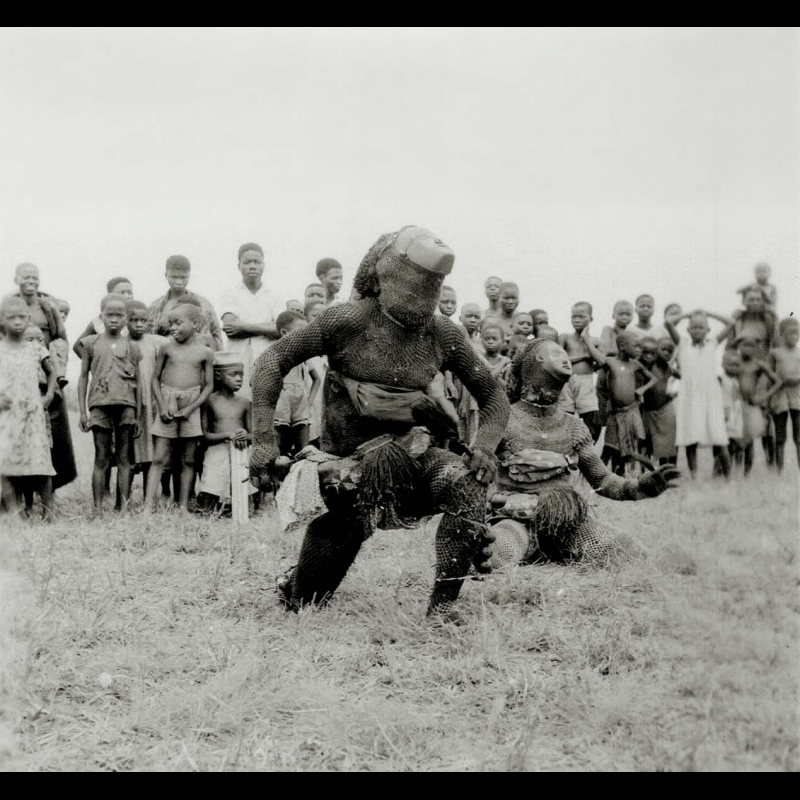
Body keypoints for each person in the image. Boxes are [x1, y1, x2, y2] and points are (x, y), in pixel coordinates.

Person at [250, 226, 508, 622]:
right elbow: (271, 362)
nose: (421, 297)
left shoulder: (443, 334)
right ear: (382, 276)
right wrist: (263, 440)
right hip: (347, 475)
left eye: (430, 287)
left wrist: (486, 449)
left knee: (464, 484)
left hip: (416, 461)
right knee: (306, 602)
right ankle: (296, 583)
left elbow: (493, 398)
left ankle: (441, 611)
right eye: (412, 285)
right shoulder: (346, 321)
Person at [485, 339, 679, 570]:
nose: (565, 358)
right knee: (498, 551)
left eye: (564, 353)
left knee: (624, 549)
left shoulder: (574, 426)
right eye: (555, 353)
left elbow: (603, 480)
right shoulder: (502, 419)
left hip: (568, 524)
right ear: (532, 364)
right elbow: (474, 472)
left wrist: (639, 487)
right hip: (515, 521)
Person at [10, 262, 77, 490]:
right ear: (16, 278)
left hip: (46, 376)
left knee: (52, 436)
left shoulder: (48, 307)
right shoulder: (8, 305)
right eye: (26, 276)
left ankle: (49, 491)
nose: (31, 281)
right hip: (17, 376)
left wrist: (56, 377)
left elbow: (60, 340)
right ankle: (17, 494)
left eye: (35, 277)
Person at [144, 304, 214, 513]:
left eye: (178, 323)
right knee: (158, 458)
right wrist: (162, 405)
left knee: (188, 460)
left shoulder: (205, 352)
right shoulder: (167, 348)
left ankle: (183, 505)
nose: (172, 328)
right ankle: (148, 506)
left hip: (192, 405)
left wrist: (192, 408)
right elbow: (155, 379)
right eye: (170, 323)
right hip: (168, 400)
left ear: (195, 324)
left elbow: (209, 385)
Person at [77, 294, 142, 512]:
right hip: (99, 404)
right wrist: (83, 412)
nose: (114, 319)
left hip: (125, 405)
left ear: (126, 318)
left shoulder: (133, 347)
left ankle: (121, 508)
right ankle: (97, 508)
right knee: (101, 457)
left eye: (119, 315)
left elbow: (138, 382)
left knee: (124, 458)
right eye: (109, 314)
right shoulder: (90, 343)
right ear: (100, 317)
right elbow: (84, 376)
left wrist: (138, 414)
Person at [0, 298, 56, 519]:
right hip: (6, 415)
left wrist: (49, 394)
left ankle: (48, 510)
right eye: (11, 317)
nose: (17, 322)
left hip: (33, 414)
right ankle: (14, 512)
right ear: (2, 321)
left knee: (40, 462)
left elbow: (52, 372)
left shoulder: (36, 349)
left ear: (28, 318)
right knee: (6, 462)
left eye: (21, 317)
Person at [665, 308, 734, 479]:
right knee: (690, 436)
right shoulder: (682, 343)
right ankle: (695, 477)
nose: (697, 330)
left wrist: (708, 314)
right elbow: (668, 322)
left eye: (701, 327)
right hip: (689, 395)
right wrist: (688, 315)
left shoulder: (713, 343)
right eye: (694, 327)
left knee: (718, 436)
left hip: (711, 394)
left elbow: (731, 323)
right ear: (688, 330)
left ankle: (729, 478)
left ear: (708, 330)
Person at [217, 243, 281, 400]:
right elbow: (230, 327)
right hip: (238, 361)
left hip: (267, 359)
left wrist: (244, 326)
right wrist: (266, 328)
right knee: (238, 406)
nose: (252, 266)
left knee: (265, 406)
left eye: (256, 262)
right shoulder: (230, 294)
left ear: (263, 265)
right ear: (239, 266)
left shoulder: (275, 295)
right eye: (247, 262)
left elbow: (280, 329)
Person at [197, 352, 257, 513]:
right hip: (217, 450)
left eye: (241, 375)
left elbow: (254, 435)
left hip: (241, 451)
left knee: (246, 507)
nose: (239, 379)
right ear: (218, 375)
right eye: (233, 374)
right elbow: (204, 436)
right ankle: (211, 504)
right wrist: (228, 435)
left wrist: (245, 436)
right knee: (208, 502)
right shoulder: (209, 401)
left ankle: (238, 506)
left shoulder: (244, 403)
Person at [126, 300, 168, 492]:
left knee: (151, 451)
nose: (139, 324)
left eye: (143, 320)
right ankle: (123, 498)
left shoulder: (155, 342)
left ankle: (148, 496)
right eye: (134, 320)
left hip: (151, 403)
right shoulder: (122, 342)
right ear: (126, 320)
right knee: (128, 453)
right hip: (129, 402)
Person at [601, 330, 655, 475]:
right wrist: (586, 338)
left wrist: (642, 389)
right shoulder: (611, 362)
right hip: (615, 412)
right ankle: (601, 476)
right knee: (611, 446)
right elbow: (597, 357)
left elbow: (653, 379)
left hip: (632, 410)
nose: (640, 349)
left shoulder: (635, 364)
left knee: (640, 440)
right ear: (623, 346)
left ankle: (645, 473)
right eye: (636, 346)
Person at [147, 255, 223, 350]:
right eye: (174, 277)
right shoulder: (155, 307)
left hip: (199, 359)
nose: (179, 282)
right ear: (166, 275)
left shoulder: (204, 304)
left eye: (183, 277)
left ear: (189, 276)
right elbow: (148, 341)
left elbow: (217, 337)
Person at [273, 310, 322, 457]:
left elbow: (317, 379)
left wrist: (310, 399)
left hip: (300, 405)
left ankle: (302, 476)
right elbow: (255, 380)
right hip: (281, 405)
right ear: (284, 332)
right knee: (280, 449)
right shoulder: (273, 354)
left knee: (304, 450)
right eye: (300, 331)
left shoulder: (304, 355)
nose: (305, 335)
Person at [558, 301, 604, 441]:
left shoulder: (595, 341)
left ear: (591, 319)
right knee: (565, 418)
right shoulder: (565, 337)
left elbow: (601, 361)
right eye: (574, 316)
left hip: (586, 382)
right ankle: (566, 451)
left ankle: (586, 452)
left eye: (581, 317)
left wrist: (586, 339)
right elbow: (561, 360)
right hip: (567, 382)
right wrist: (585, 357)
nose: (576, 320)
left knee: (591, 419)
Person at [736, 336, 782, 475]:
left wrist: (763, 397)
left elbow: (778, 381)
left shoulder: (758, 365)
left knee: (750, 440)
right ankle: (735, 473)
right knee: (737, 440)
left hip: (751, 405)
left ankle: (746, 475)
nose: (747, 349)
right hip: (737, 405)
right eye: (744, 345)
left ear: (755, 349)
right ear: (739, 347)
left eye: (751, 346)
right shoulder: (735, 363)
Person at [639, 336, 678, 465]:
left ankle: (670, 470)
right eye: (663, 349)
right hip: (648, 410)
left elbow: (685, 378)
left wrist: (675, 392)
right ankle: (649, 472)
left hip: (664, 408)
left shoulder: (668, 368)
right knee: (649, 443)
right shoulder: (647, 364)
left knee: (668, 442)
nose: (666, 353)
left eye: (670, 351)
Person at [73, 277, 134, 358]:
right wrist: (94, 363)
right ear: (110, 295)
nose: (127, 296)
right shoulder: (98, 322)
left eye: (130, 292)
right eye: (122, 293)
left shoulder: (138, 320)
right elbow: (78, 346)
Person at [770, 317, 800, 471]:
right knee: (780, 436)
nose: (794, 337)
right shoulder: (775, 353)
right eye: (790, 333)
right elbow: (768, 374)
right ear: (781, 335)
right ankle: (779, 470)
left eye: (797, 333)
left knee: (799, 435)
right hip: (779, 394)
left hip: (797, 395)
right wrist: (779, 380)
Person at [728, 285, 778, 360]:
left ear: (763, 302)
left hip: (763, 363)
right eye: (751, 300)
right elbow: (730, 346)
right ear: (744, 302)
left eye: (758, 300)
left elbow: (775, 342)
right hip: (742, 364)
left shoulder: (768, 320)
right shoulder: (738, 319)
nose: (755, 303)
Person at [304, 301, 328, 446]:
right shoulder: (304, 341)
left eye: (324, 316)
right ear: (306, 317)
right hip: (307, 390)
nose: (320, 319)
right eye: (315, 315)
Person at [719, 350, 746, 468]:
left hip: (737, 413)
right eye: (731, 365)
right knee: (725, 444)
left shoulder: (738, 379)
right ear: (723, 365)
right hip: (725, 413)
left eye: (737, 365)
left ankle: (737, 469)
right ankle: (721, 471)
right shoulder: (721, 379)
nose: (734, 368)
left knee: (739, 443)